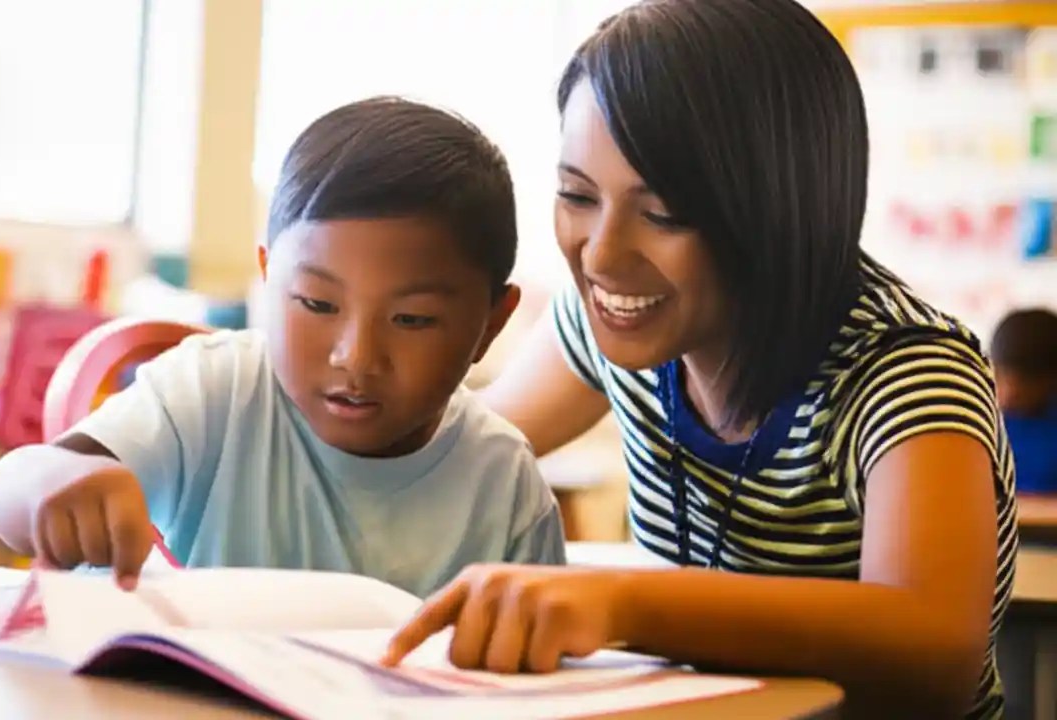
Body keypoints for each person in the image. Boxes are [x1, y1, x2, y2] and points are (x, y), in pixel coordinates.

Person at [381, 2, 1015, 718]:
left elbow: (939, 653)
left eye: (663, 214)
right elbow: (444, 457)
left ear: (780, 206)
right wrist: (246, 383)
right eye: (576, 196)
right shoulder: (610, 326)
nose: (602, 254)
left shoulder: (904, 370)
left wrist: (622, 601)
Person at [0, 97, 567, 598]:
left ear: (490, 325)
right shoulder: (215, 392)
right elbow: (12, 489)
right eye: (316, 304)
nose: (356, 356)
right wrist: (45, 485)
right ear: (266, 279)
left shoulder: (505, 486)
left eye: (412, 318)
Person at [991, 308, 1057, 494]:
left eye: (1016, 383)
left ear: (1048, 381)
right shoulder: (988, 422)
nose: (1003, 392)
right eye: (998, 375)